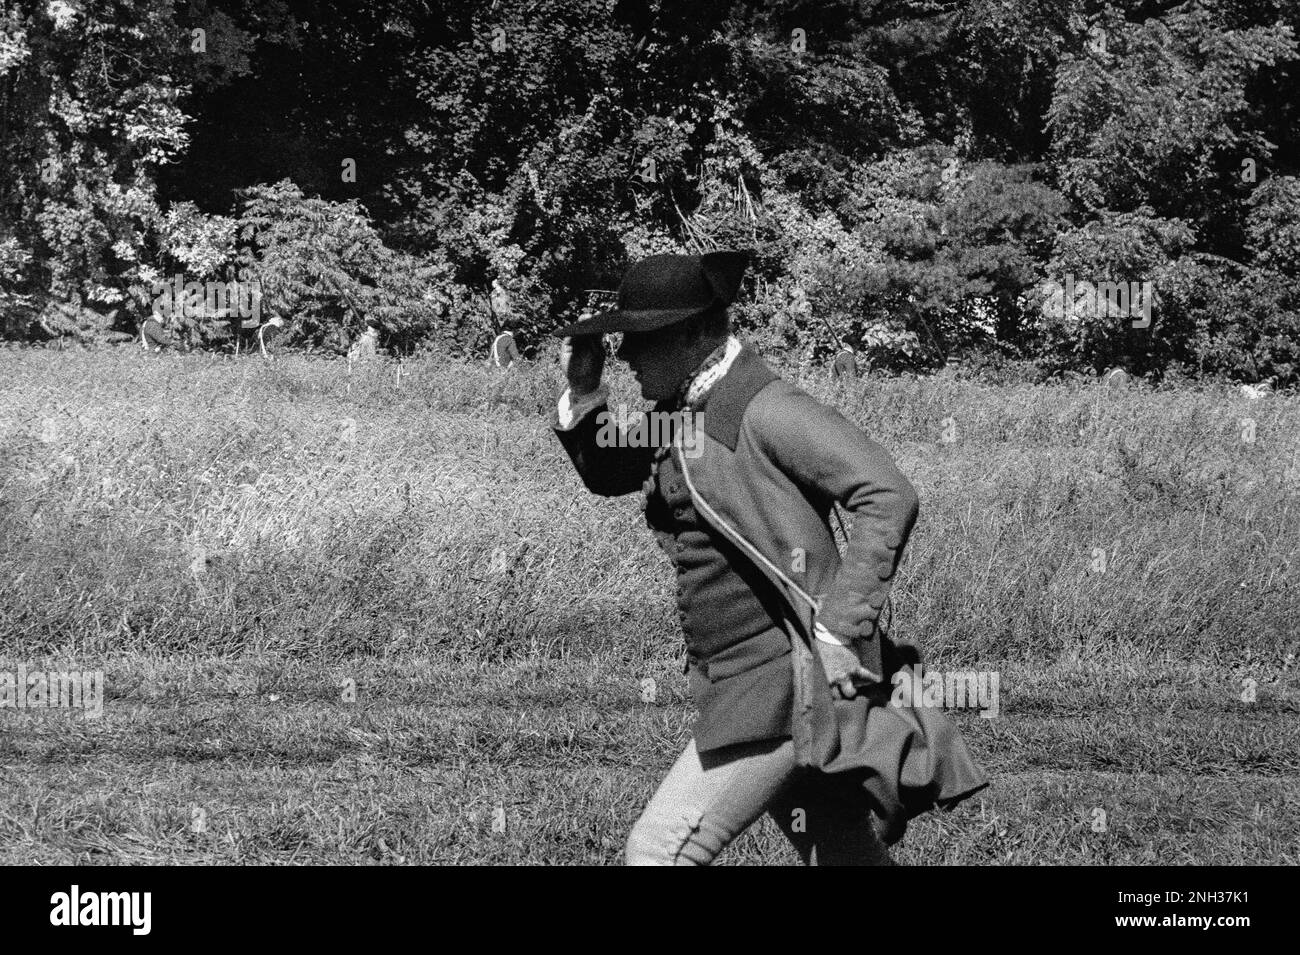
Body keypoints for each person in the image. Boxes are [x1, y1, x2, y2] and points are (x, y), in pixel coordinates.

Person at [551, 251, 987, 865]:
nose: (625, 356)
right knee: (840, 857)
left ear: (698, 335)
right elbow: (612, 469)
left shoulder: (766, 408)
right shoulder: (683, 408)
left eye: (640, 342)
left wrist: (841, 625)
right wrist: (584, 392)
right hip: (739, 675)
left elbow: (888, 493)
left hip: (781, 680)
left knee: (659, 851)